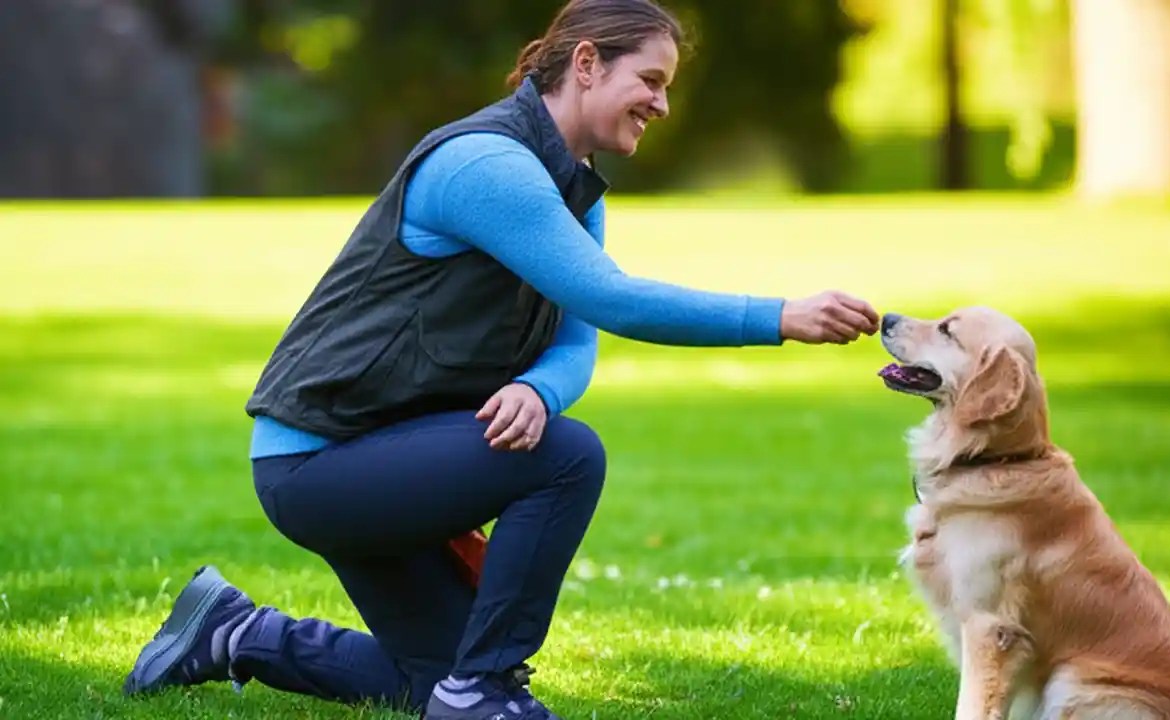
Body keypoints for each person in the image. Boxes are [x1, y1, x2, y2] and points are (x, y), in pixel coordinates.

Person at [121, 1, 880, 718]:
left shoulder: (576, 193)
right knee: (568, 458)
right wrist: (779, 317)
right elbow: (611, 300)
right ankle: (483, 686)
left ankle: (232, 632)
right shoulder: (487, 166)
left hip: (381, 452)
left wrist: (538, 390)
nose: (662, 104)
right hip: (320, 461)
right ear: (586, 63)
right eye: (649, 81)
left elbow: (577, 342)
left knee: (429, 680)